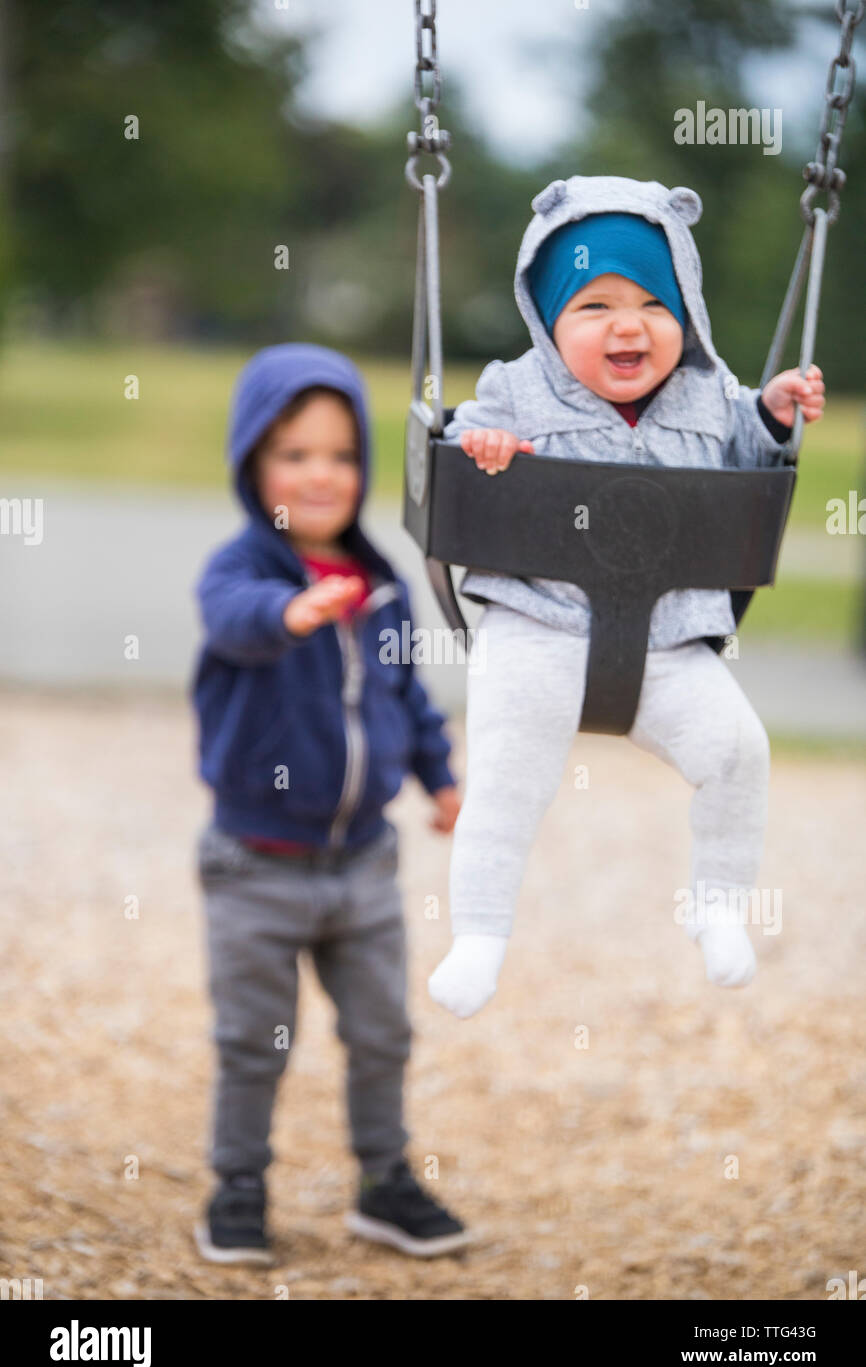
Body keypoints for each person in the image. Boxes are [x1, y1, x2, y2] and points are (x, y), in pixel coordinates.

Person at [427, 175, 825, 1020]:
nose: (629, 325)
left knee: (739, 752)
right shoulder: (517, 388)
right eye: (595, 306)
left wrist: (774, 412)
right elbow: (458, 436)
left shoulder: (710, 392)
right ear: (548, 321)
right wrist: (482, 442)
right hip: (537, 624)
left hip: (668, 639)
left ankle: (718, 906)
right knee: (505, 775)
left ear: (687, 313)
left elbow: (753, 447)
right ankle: (480, 935)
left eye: (654, 303)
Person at [191, 343, 469, 1262]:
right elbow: (232, 621)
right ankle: (238, 1186)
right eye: (294, 454)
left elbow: (408, 696)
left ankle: (385, 1182)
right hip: (255, 866)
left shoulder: (382, 586)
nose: (321, 475)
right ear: (251, 465)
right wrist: (290, 614)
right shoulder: (241, 572)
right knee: (252, 1041)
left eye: (342, 455)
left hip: (363, 864)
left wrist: (440, 778)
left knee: (384, 1031)